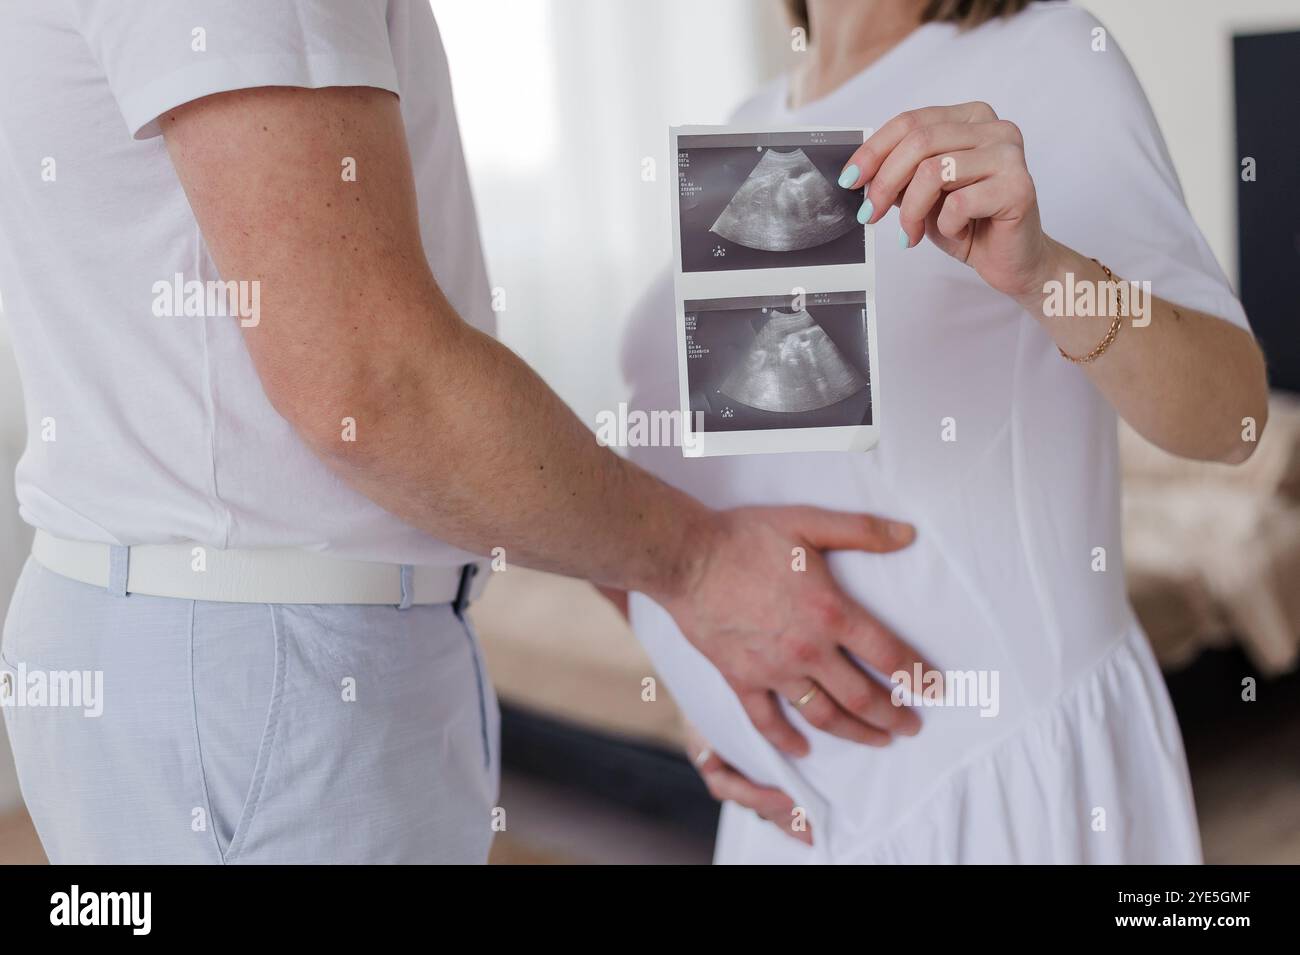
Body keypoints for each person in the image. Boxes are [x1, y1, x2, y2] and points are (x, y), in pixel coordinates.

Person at [0, 0, 929, 864]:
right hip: (263, 661)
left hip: (247, 639)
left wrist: (668, 607)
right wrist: (694, 568)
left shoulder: (937, 104)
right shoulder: (784, 127)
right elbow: (371, 380)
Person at [619, 0, 1268, 863]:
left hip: (997, 789)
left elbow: (1236, 417)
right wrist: (719, 714)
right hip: (795, 809)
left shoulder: (1049, 55)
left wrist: (1046, 273)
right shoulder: (748, 123)